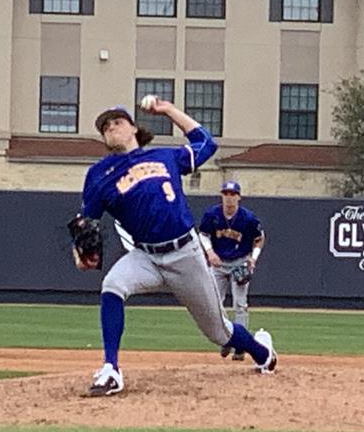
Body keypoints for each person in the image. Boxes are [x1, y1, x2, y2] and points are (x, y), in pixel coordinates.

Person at [72, 99, 277, 397]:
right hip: (145, 256)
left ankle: (263, 353)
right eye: (105, 126)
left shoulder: (165, 157)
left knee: (219, 332)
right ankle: (111, 369)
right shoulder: (99, 175)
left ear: (133, 128)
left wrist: (168, 111)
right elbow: (86, 224)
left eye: (117, 121)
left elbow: (206, 143)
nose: (111, 127)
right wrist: (80, 252)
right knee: (113, 285)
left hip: (185, 254)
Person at [200, 180, 266, 360]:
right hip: (218, 263)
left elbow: (259, 238)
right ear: (221, 196)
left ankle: (241, 346)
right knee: (216, 304)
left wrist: (253, 258)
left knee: (240, 305)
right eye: (226, 194)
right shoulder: (212, 215)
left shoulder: (248, 218)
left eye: (232, 194)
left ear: (239, 197)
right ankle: (226, 339)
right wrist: (210, 252)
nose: (229, 198)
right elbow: (203, 235)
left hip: (239, 262)